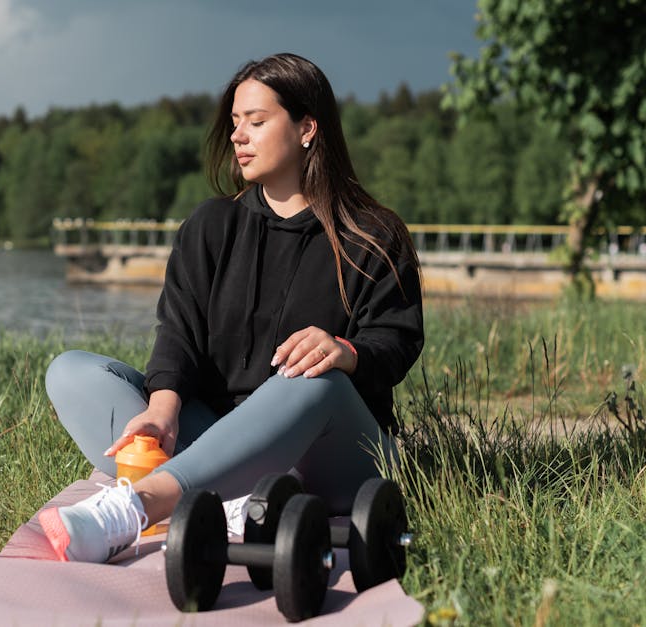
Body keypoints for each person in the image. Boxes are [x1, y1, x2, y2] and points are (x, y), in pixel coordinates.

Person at [40, 53, 424, 563]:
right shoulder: (211, 225)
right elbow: (178, 334)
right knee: (72, 372)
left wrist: (345, 350)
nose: (238, 136)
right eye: (235, 123)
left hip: (333, 458)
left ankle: (138, 507)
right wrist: (161, 412)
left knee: (312, 377)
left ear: (308, 128)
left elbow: (397, 342)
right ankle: (228, 496)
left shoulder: (372, 235)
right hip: (219, 435)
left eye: (257, 122)